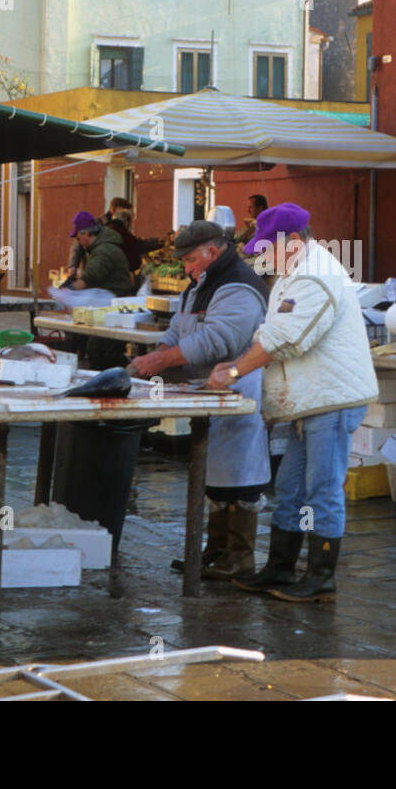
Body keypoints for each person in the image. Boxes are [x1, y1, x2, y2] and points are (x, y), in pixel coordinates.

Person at [208, 202, 378, 603]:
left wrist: (233, 372)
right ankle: (282, 568)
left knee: (322, 488)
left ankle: (321, 578)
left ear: (295, 242)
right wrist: (236, 363)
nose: (262, 254)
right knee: (289, 486)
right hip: (310, 399)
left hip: (331, 399)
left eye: (269, 246)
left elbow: (283, 339)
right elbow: (275, 331)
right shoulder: (294, 271)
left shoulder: (316, 276)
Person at [127, 221, 270, 580]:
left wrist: (160, 361)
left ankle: (239, 559)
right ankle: (216, 550)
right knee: (215, 470)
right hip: (211, 388)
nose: (187, 268)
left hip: (240, 388)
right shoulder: (200, 283)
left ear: (213, 251)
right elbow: (180, 326)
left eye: (191, 259)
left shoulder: (239, 285)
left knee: (240, 473)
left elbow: (217, 340)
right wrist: (160, 350)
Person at [66, 211, 134, 297]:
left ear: (86, 234)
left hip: (116, 302)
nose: (78, 241)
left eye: (78, 238)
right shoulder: (100, 247)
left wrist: (68, 290)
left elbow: (91, 276)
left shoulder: (103, 250)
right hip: (113, 298)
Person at [101, 198, 166, 275]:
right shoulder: (113, 229)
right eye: (124, 210)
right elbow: (136, 246)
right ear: (115, 209)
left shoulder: (114, 228)